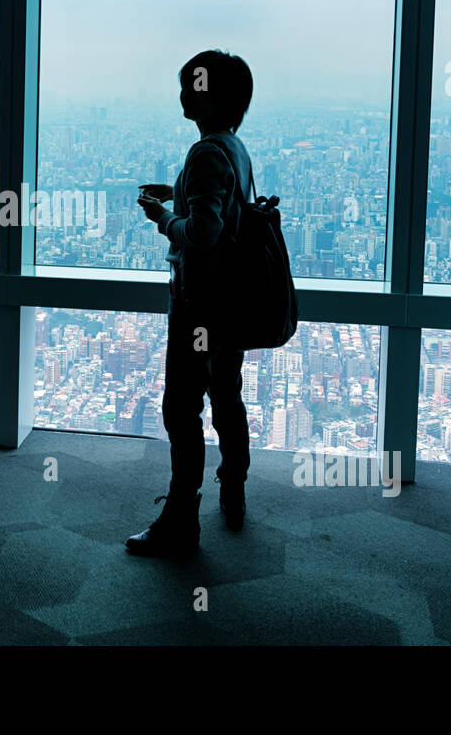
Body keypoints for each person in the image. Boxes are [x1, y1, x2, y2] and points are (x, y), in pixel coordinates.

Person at [129, 50, 255, 556]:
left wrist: (163, 218)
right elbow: (220, 206)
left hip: (199, 305)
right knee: (226, 395)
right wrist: (178, 193)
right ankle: (233, 490)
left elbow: (203, 232)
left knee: (181, 409)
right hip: (231, 304)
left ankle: (181, 518)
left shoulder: (205, 153)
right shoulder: (233, 147)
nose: (183, 94)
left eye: (191, 85)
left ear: (210, 95)